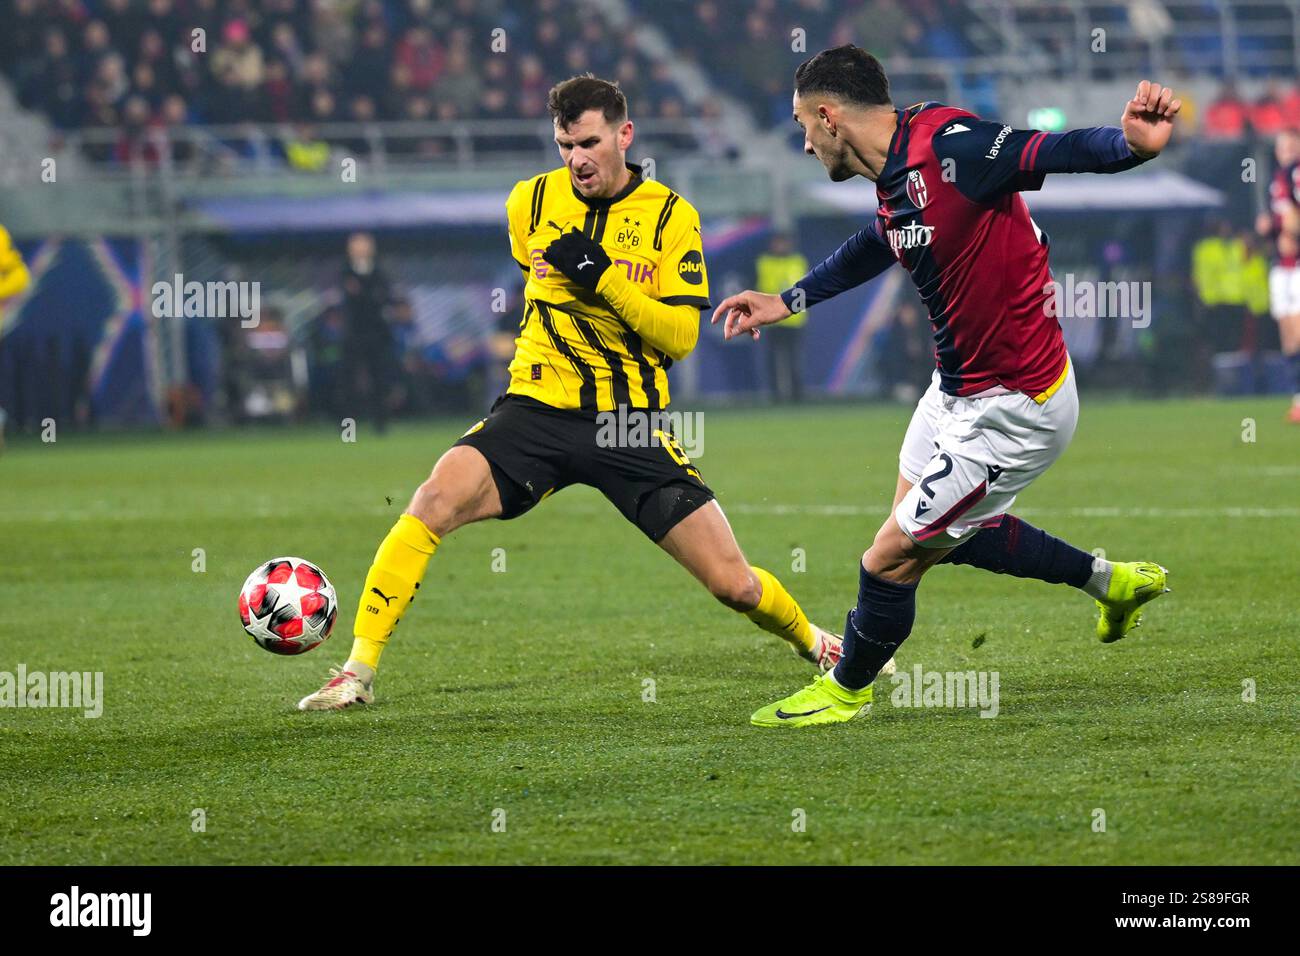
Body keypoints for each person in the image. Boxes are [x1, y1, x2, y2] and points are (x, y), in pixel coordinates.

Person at [298, 75, 875, 710]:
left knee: (733, 585)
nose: (576, 158)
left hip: (626, 424)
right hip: (534, 411)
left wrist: (603, 278)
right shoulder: (530, 204)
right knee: (432, 500)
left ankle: (817, 642)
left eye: (590, 142)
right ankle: (357, 671)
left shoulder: (669, 216)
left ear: (625, 135)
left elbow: (681, 336)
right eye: (564, 144)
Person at [712, 46, 1173, 727]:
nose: (804, 144)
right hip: (954, 390)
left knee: (890, 558)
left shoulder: (953, 144)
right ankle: (1111, 582)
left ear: (829, 116)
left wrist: (1130, 145)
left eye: (802, 125)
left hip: (1015, 406)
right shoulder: (894, 168)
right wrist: (789, 300)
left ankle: (845, 689)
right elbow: (882, 239)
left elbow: (1051, 148)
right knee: (932, 536)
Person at [1256, 130, 1300, 421]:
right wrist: (1271, 227)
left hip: (1297, 264)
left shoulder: (1296, 174)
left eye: (1290, 144)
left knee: (1297, 331)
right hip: (1280, 265)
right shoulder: (1279, 177)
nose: (1285, 149)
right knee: (1287, 332)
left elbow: (1293, 222)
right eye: (1281, 144)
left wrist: (1291, 232)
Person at [339, 232, 396, 434]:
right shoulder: (344, 272)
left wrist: (364, 295)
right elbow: (357, 300)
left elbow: (384, 299)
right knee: (349, 381)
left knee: (379, 380)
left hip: (377, 336)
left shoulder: (380, 272)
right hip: (353, 336)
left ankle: (380, 424)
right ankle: (348, 426)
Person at [754, 233, 809, 402]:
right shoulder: (763, 262)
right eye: (777, 242)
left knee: (793, 360)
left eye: (783, 242)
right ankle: (776, 395)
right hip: (772, 319)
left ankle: (797, 395)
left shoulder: (798, 261)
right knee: (773, 360)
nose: (780, 246)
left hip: (794, 320)